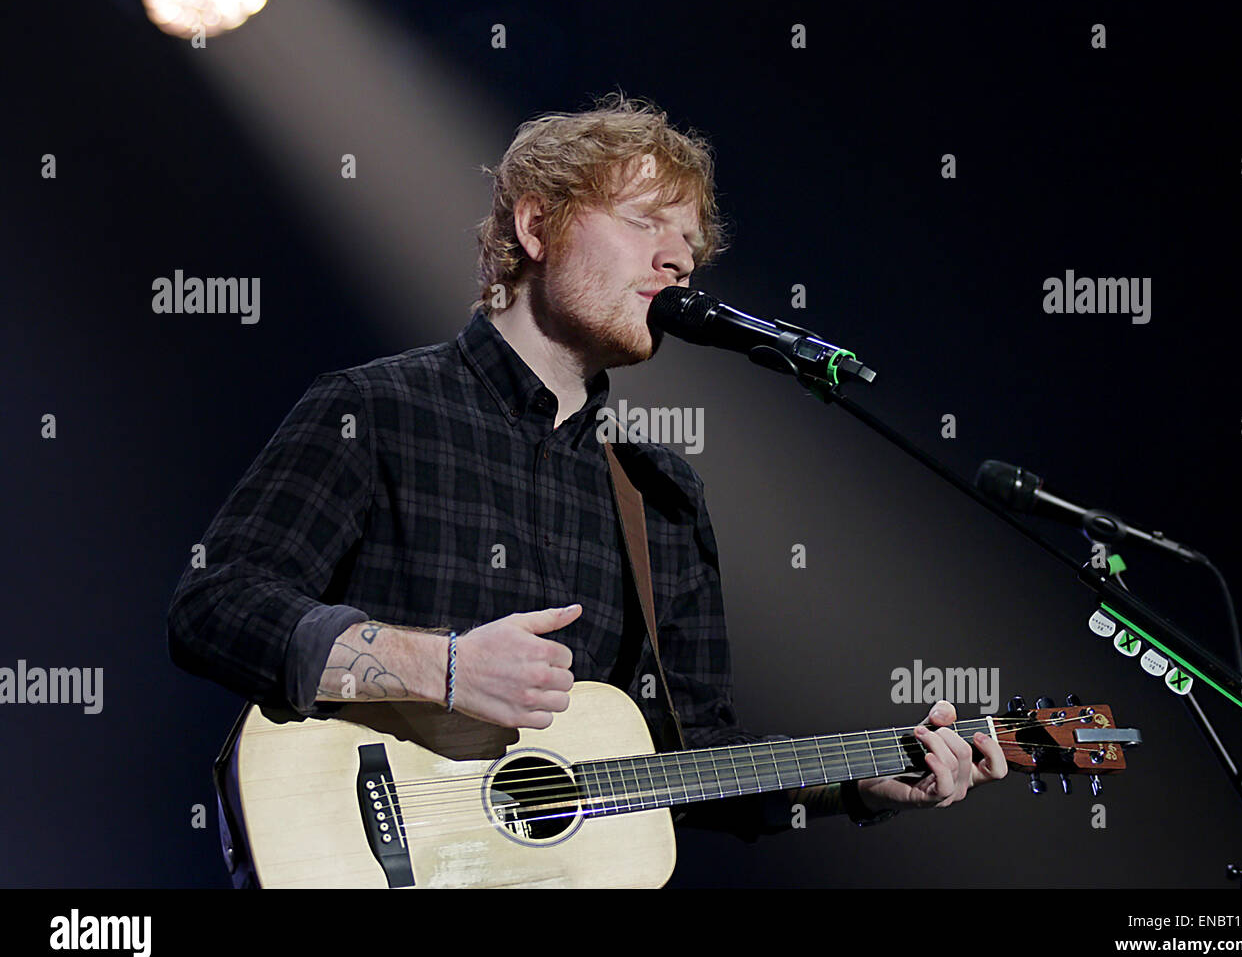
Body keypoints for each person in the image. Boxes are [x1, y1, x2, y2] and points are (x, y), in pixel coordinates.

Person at [167, 94, 1006, 873]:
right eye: (646, 223)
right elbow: (214, 605)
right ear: (538, 224)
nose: (678, 260)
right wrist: (441, 668)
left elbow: (691, 759)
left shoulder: (663, 496)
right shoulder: (375, 409)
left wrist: (860, 783)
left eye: (690, 246)